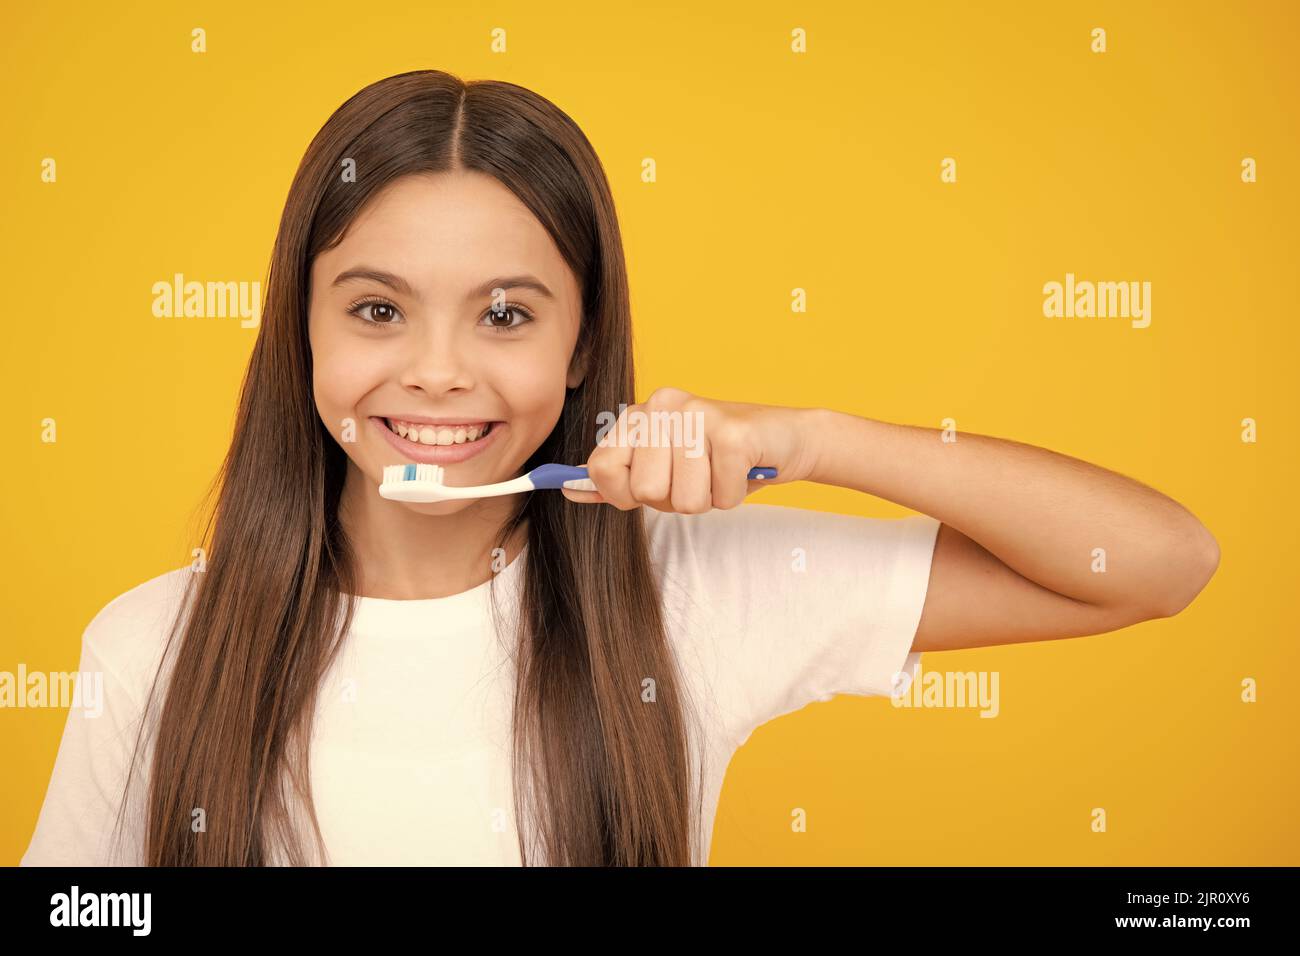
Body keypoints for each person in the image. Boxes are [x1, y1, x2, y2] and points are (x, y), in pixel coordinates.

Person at [20, 69, 1219, 867]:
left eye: (504, 314)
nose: (437, 374)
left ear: (583, 339)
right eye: (378, 309)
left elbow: (1159, 562)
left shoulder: (692, 591)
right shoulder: (149, 647)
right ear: (302, 328)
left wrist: (807, 441)